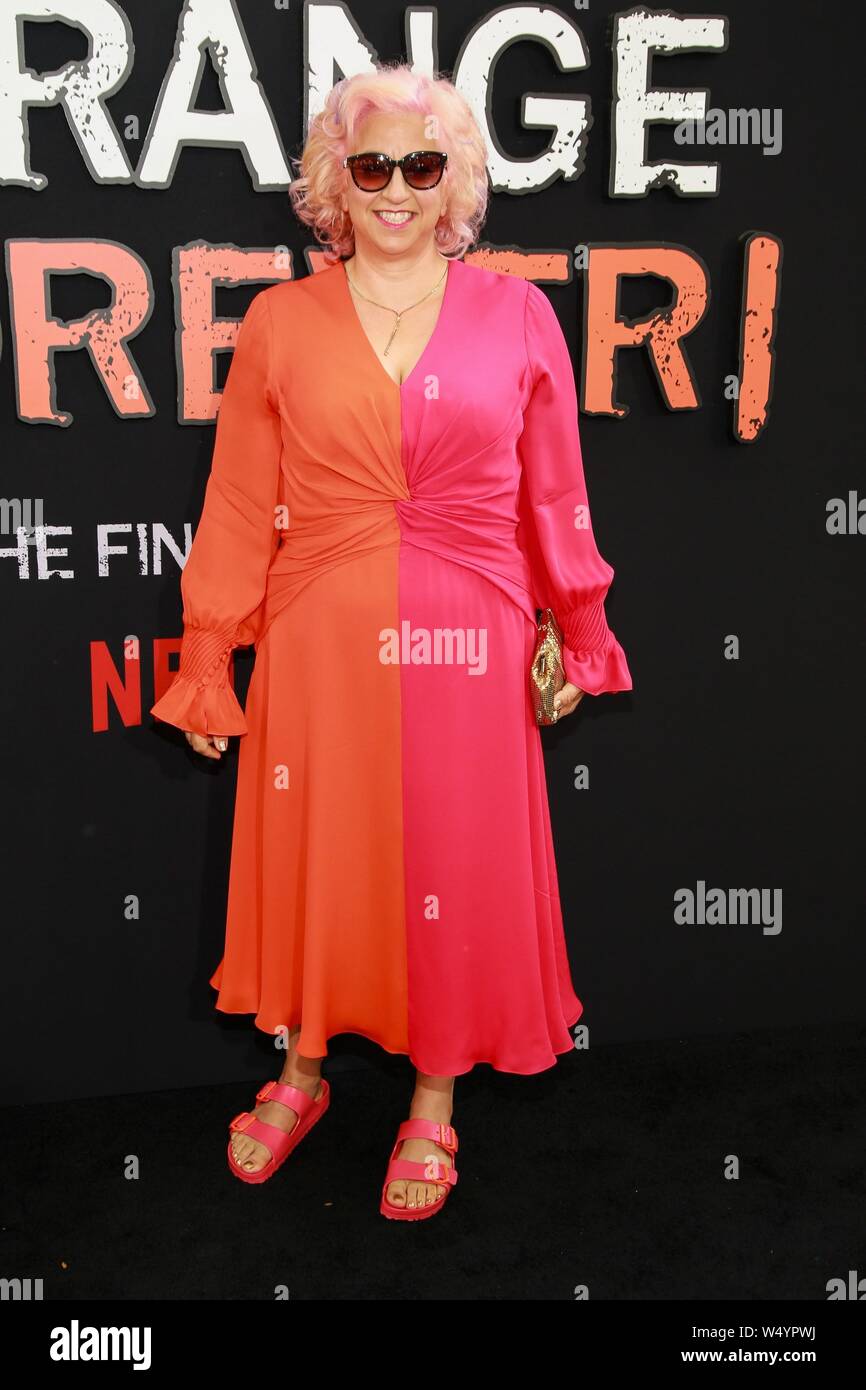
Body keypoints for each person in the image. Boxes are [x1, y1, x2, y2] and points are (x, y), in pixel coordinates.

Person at [150, 61, 632, 1221]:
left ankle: (431, 1101)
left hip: (470, 634)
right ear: (336, 182)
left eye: (424, 164)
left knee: (447, 856)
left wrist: (575, 626)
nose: (399, 189)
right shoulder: (277, 321)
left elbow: (554, 495)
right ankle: (301, 1069)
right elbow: (232, 501)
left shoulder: (519, 315)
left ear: (456, 178)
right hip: (320, 639)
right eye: (373, 166)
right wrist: (209, 654)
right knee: (329, 847)